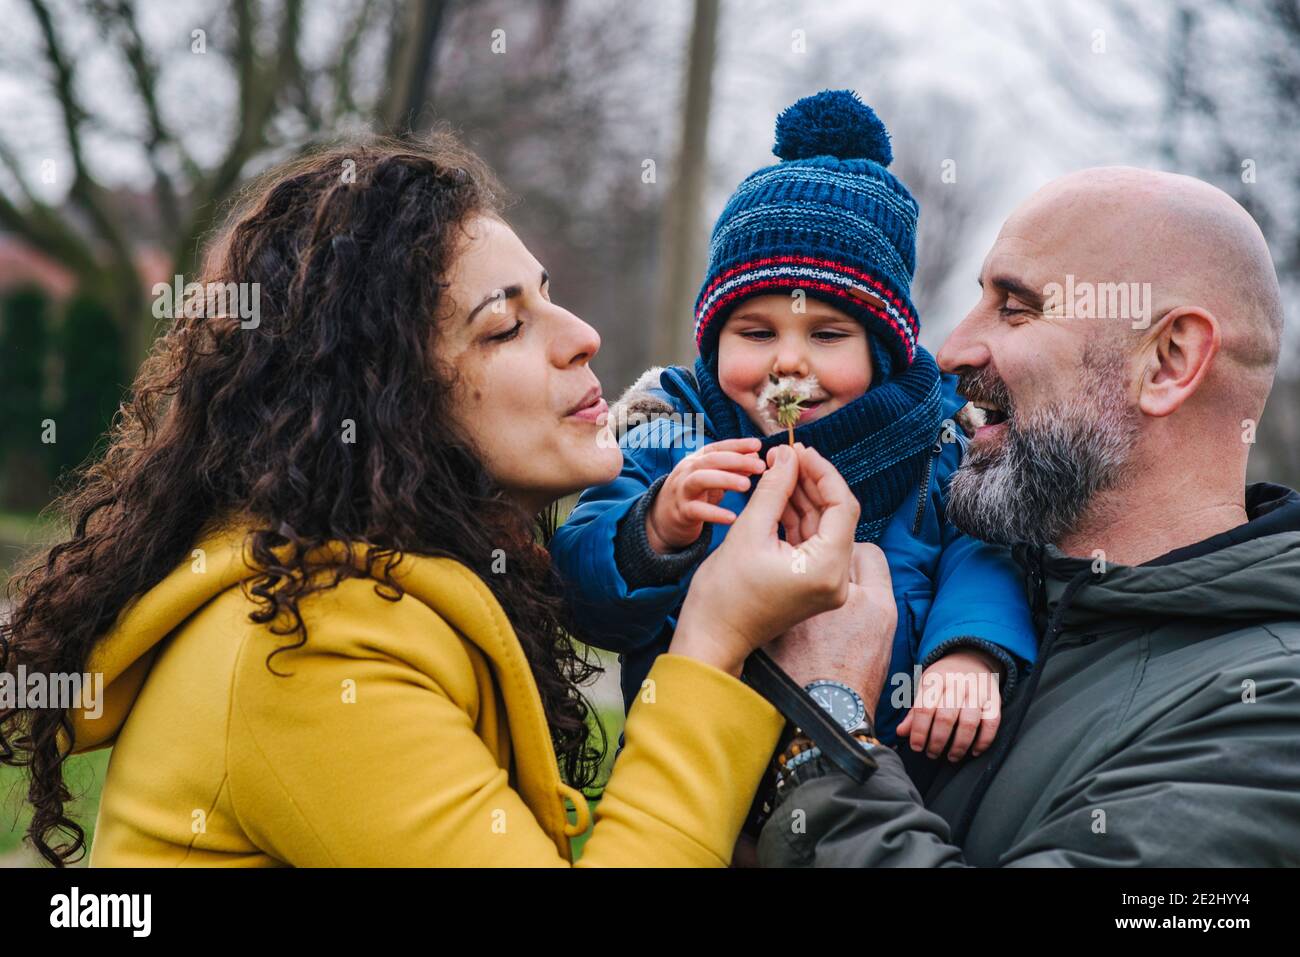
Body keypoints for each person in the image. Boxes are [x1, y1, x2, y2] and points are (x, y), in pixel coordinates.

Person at [0, 133, 878, 867]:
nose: (582, 337)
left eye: (551, 295)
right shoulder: (303, 654)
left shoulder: (402, 592)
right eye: (506, 326)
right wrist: (718, 637)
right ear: (380, 399)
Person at [756, 166, 1300, 867]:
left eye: (1014, 307)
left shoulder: (1270, 713)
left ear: (1167, 361)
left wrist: (827, 726)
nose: (951, 351)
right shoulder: (981, 597)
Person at [550, 91, 1035, 785]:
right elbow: (583, 589)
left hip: (873, 787)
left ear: (884, 352)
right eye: (755, 332)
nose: (788, 361)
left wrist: (971, 651)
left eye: (828, 334)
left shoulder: (936, 448)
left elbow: (984, 557)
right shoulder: (672, 432)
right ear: (713, 340)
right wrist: (656, 529)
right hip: (694, 783)